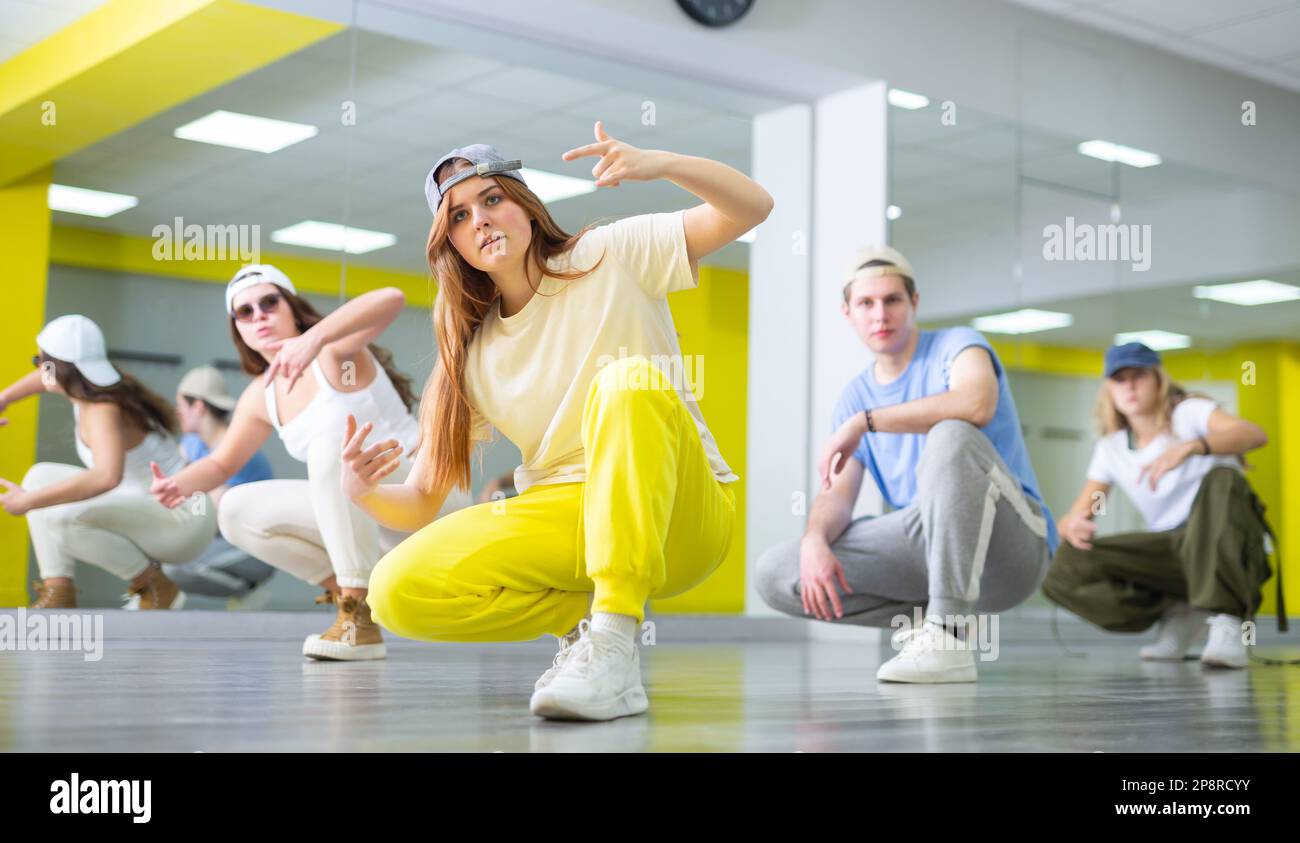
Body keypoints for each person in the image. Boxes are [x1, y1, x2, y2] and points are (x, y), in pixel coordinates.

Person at [349, 127, 772, 721]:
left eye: (493, 199)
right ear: (453, 245)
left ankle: (614, 642)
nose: (481, 220)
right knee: (395, 591)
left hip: (679, 514)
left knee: (626, 382)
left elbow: (753, 207)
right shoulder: (466, 358)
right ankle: (583, 624)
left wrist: (663, 162)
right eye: (461, 216)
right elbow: (421, 499)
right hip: (571, 517)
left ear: (525, 205)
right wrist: (361, 492)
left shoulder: (611, 253)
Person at [754, 246, 1057, 684]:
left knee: (951, 434)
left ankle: (948, 634)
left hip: (1012, 546)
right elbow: (838, 494)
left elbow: (976, 403)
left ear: (914, 303)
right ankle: (931, 623)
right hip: (927, 541)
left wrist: (868, 422)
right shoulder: (854, 396)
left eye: (892, 300)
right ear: (848, 313)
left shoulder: (958, 345)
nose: (880, 314)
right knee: (777, 573)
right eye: (866, 303)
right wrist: (814, 540)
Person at [150, 264, 467, 659]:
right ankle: (358, 598)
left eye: (269, 302)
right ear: (239, 329)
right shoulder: (259, 395)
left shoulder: (334, 352)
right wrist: (176, 485)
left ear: (292, 308)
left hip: (427, 502)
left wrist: (314, 337)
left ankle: (357, 614)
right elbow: (219, 466)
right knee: (234, 508)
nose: (259, 315)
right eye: (245, 312)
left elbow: (391, 299)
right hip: (371, 520)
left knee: (333, 441)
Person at [1041, 342, 1273, 669]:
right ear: (1109, 389)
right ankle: (1180, 610)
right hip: (1173, 552)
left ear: (1158, 380)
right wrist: (1074, 524)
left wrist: (1192, 446)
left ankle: (1227, 619)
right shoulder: (1112, 448)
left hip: (1229, 547)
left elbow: (1252, 434)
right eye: (1120, 379)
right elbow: (1083, 509)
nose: (1130, 386)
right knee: (1066, 566)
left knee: (1222, 476)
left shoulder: (1189, 414)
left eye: (1139, 375)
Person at [0, 315, 215, 609]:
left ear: (59, 370)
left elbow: (105, 477)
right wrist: (4, 398)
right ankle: (58, 591)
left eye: (39, 361)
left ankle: (156, 587)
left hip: (182, 521)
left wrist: (27, 503)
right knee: (39, 477)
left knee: (58, 515)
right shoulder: (97, 387)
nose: (37, 368)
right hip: (151, 507)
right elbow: (44, 378)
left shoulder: (102, 410)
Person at [165, 365, 277, 609]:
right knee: (166, 559)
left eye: (181, 405)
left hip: (255, 547)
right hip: (219, 540)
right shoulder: (192, 443)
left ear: (198, 406)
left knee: (178, 564)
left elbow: (216, 511)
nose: (177, 412)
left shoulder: (236, 449)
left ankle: (248, 591)